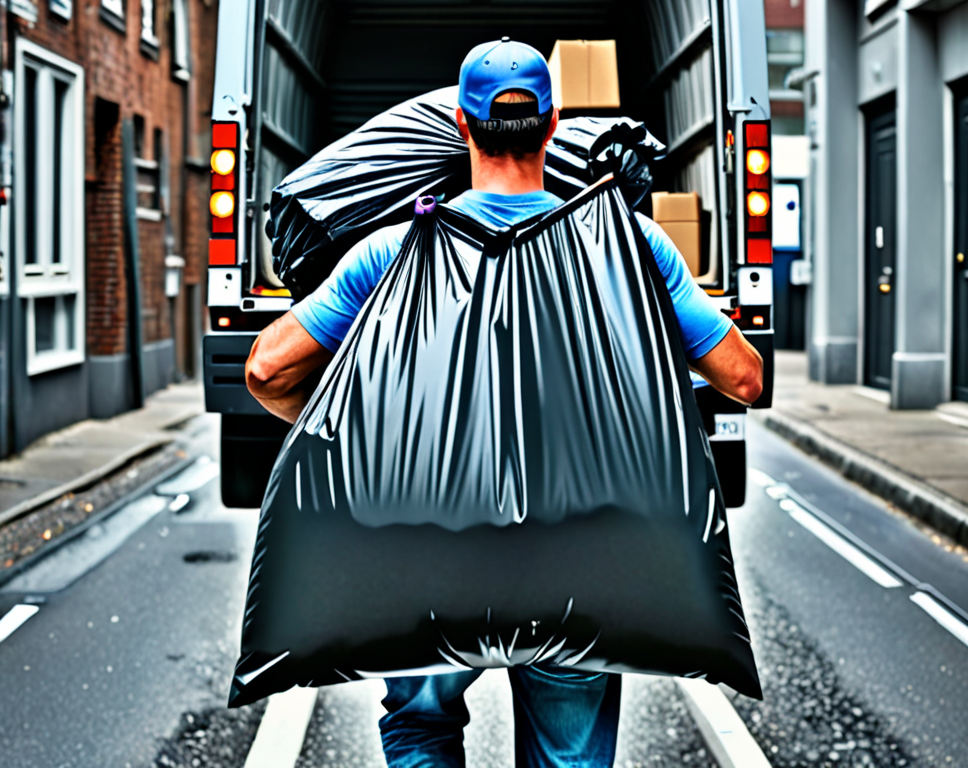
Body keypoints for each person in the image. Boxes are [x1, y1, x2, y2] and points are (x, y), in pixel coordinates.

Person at [245, 38, 762, 768]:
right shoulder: (632, 247)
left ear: (459, 125)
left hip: (426, 550)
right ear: (556, 127)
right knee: (569, 752)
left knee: (421, 728)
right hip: (581, 553)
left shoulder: (392, 252)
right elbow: (743, 378)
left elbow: (266, 369)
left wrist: (355, 430)